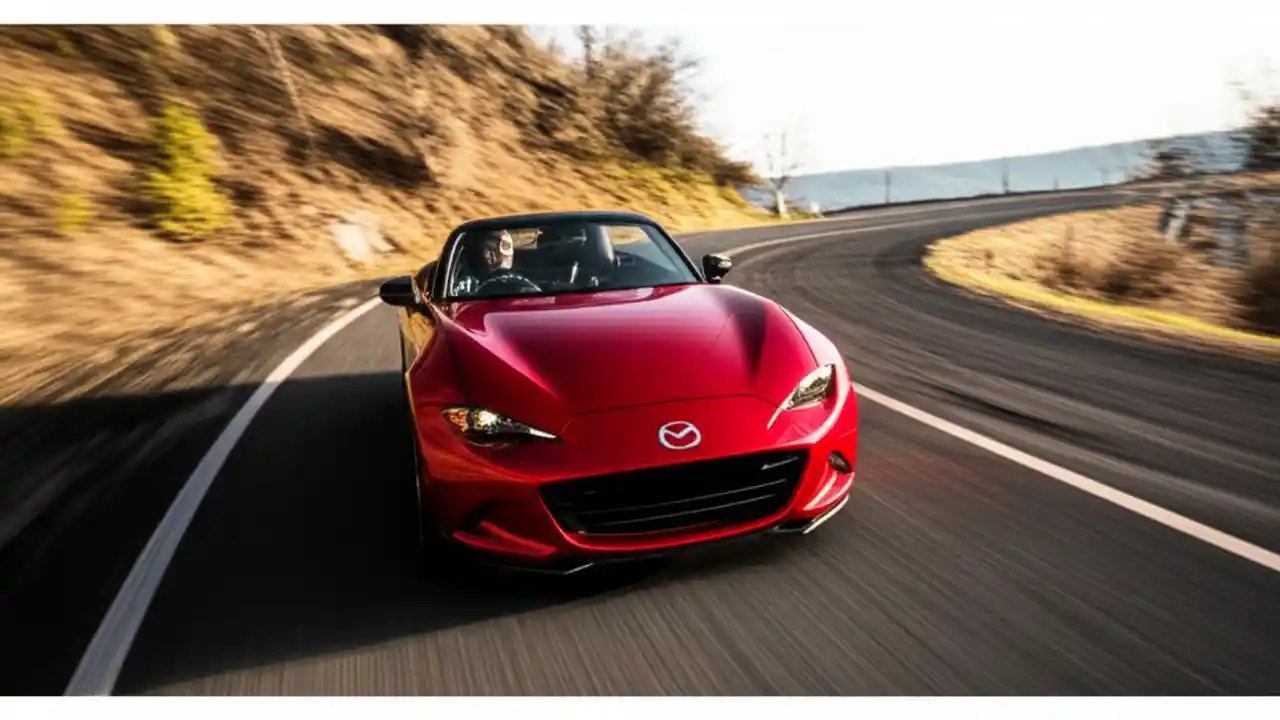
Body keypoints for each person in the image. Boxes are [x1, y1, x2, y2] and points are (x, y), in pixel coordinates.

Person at [452, 229, 516, 296]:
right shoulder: (465, 283)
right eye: (505, 246)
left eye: (507, 246)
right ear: (491, 255)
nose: (509, 255)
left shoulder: (519, 283)